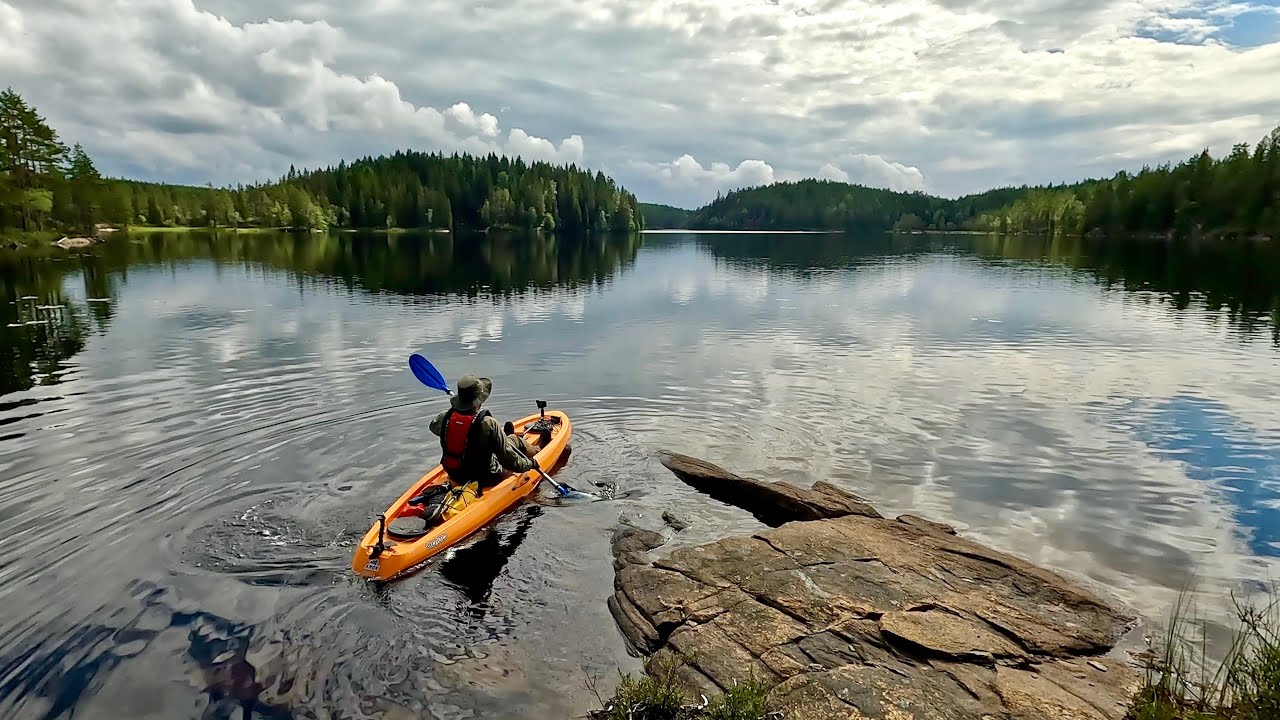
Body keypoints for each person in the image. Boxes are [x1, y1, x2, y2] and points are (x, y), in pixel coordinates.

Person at [428, 374, 539, 496]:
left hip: (454, 473)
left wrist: (458, 417)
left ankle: (502, 438)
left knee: (502, 441)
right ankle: (538, 449)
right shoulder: (488, 423)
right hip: (487, 477)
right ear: (478, 400)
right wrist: (529, 464)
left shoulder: (445, 417)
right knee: (514, 440)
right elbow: (508, 461)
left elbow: (434, 427)